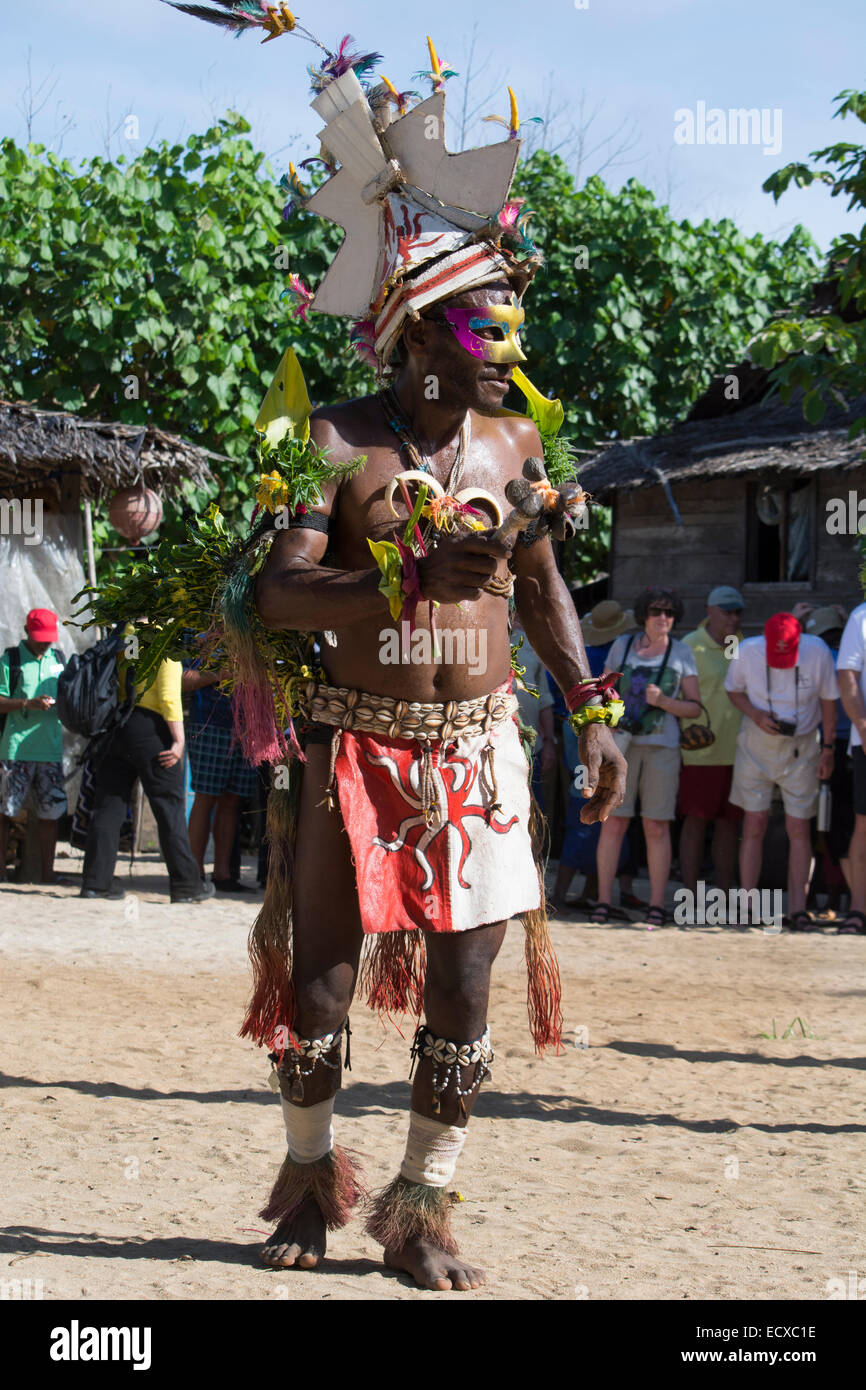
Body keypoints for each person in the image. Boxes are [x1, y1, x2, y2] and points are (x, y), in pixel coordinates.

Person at [190, 36, 632, 1293]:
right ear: (420, 335)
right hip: (355, 755)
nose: (509, 341)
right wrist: (393, 578)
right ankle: (307, 1180)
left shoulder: (515, 440)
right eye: (486, 323)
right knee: (321, 996)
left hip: (482, 751)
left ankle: (422, 1213)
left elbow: (541, 584)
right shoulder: (339, 442)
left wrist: (590, 706)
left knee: (465, 993)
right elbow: (275, 590)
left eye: (511, 320)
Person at [592, 587, 701, 927]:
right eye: (656, 611)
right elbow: (602, 690)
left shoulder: (682, 652)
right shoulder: (622, 645)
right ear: (644, 614)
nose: (663, 618)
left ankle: (656, 904)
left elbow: (695, 708)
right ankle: (603, 901)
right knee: (614, 822)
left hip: (662, 746)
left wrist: (664, 702)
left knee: (656, 824)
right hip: (620, 743)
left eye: (669, 613)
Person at [725, 612, 838, 930]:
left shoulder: (818, 652)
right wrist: (756, 714)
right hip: (756, 744)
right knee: (754, 823)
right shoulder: (747, 650)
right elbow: (733, 691)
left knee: (800, 828)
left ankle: (798, 908)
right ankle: (748, 906)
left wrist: (828, 748)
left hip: (801, 746)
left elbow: (830, 702)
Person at [80, 648, 211, 903]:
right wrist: (178, 740)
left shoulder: (123, 635)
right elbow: (168, 694)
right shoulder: (162, 639)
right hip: (152, 730)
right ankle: (186, 886)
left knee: (109, 805)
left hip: (117, 726)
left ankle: (96, 884)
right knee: (168, 808)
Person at [549, 599, 638, 913]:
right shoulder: (617, 658)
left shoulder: (575, 655)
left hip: (575, 734)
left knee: (585, 806)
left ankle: (570, 891)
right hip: (594, 735)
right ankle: (569, 892)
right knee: (592, 808)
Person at [677, 586, 745, 898]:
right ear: (710, 611)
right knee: (696, 822)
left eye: (738, 612)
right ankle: (690, 893)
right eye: (728, 611)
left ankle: (725, 892)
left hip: (739, 751)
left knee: (730, 825)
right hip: (700, 751)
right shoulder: (690, 646)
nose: (734, 618)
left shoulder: (737, 645)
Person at [0, 609, 67, 884]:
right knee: (5, 813)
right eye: (40, 638)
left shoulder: (58, 659)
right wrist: (27, 703)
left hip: (50, 751)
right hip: (16, 751)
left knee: (50, 815)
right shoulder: (11, 660)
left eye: (48, 639)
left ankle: (47, 874)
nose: (44, 644)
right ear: (27, 632)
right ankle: (2, 872)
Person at [182, 659, 259, 892]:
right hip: (208, 723)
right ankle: (193, 873)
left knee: (232, 800)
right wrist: (219, 673)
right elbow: (183, 679)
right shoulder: (195, 630)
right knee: (205, 797)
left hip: (247, 725)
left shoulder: (254, 628)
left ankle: (223, 874)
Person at [804, 607, 853, 918]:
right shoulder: (851, 659)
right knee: (845, 827)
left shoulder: (816, 658)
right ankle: (840, 897)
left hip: (820, 747)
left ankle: (816, 899)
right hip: (850, 749)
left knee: (815, 828)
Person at [835, 602, 866, 934]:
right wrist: (862, 725)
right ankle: (859, 909)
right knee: (864, 825)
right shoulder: (861, 616)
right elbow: (847, 675)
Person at [510, 615, 555, 812]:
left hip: (530, 747)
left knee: (532, 808)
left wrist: (548, 743)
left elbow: (544, 699)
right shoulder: (482, 640)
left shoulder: (532, 647)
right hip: (491, 746)